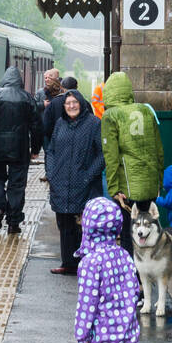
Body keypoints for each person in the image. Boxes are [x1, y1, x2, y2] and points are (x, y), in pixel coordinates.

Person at [73, 196, 142, 343]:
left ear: (90, 227)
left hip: (100, 328)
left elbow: (87, 303)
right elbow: (133, 290)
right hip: (120, 325)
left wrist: (81, 331)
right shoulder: (123, 255)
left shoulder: (90, 262)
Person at [100, 71, 164, 250]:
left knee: (130, 232)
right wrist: (160, 181)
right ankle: (148, 273)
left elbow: (111, 156)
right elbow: (158, 150)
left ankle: (131, 274)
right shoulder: (146, 110)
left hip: (127, 189)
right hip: (150, 185)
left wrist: (113, 188)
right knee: (149, 230)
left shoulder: (111, 115)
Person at [0, 65, 43, 234]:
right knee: (17, 185)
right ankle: (14, 222)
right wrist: (35, 149)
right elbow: (37, 126)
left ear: (5, 80)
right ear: (20, 81)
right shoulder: (28, 98)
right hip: (20, 149)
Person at [45, 90, 103, 275]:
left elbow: (102, 154)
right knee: (64, 223)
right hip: (61, 182)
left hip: (85, 183)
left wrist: (88, 175)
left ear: (81, 103)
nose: (71, 106)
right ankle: (68, 263)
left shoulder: (94, 124)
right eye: (68, 103)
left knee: (85, 225)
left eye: (74, 102)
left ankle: (86, 264)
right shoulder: (60, 124)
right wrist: (51, 172)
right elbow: (51, 150)